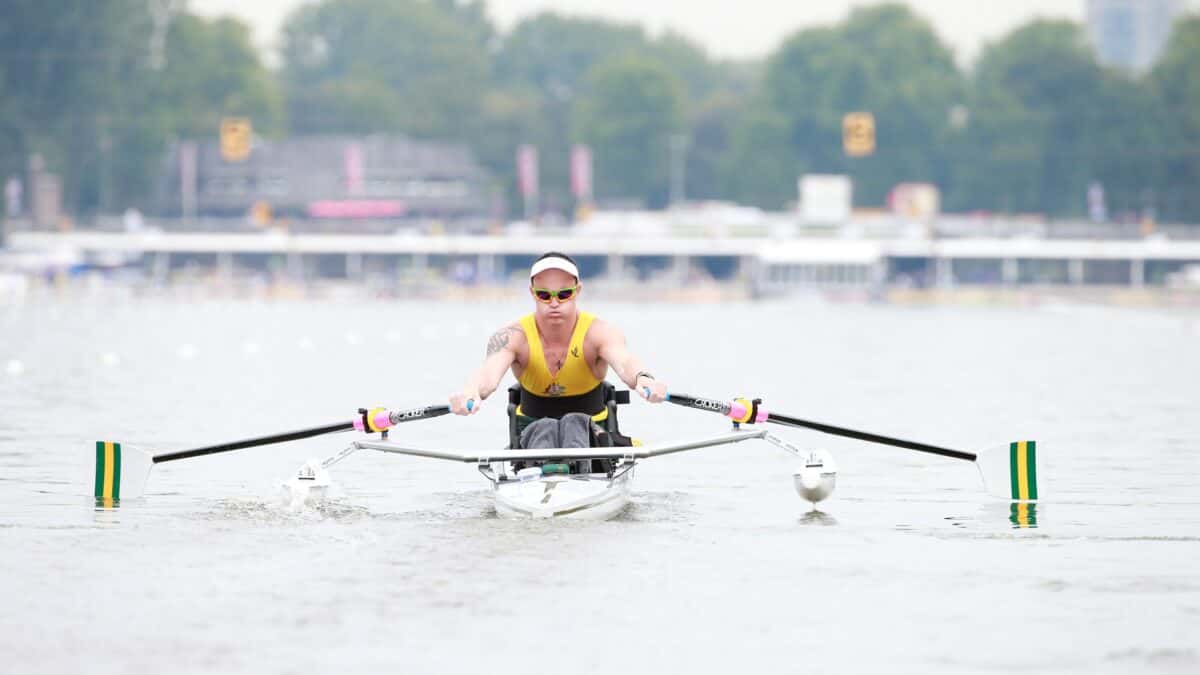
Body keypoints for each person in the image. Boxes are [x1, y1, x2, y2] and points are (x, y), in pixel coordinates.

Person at [449, 251, 668, 450]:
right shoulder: (512, 336)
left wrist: (644, 378)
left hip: (591, 436)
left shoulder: (600, 332)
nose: (554, 303)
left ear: (577, 291)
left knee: (573, 422)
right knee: (546, 427)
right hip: (533, 435)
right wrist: (471, 391)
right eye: (544, 295)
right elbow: (487, 375)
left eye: (564, 294)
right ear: (532, 293)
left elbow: (625, 362)